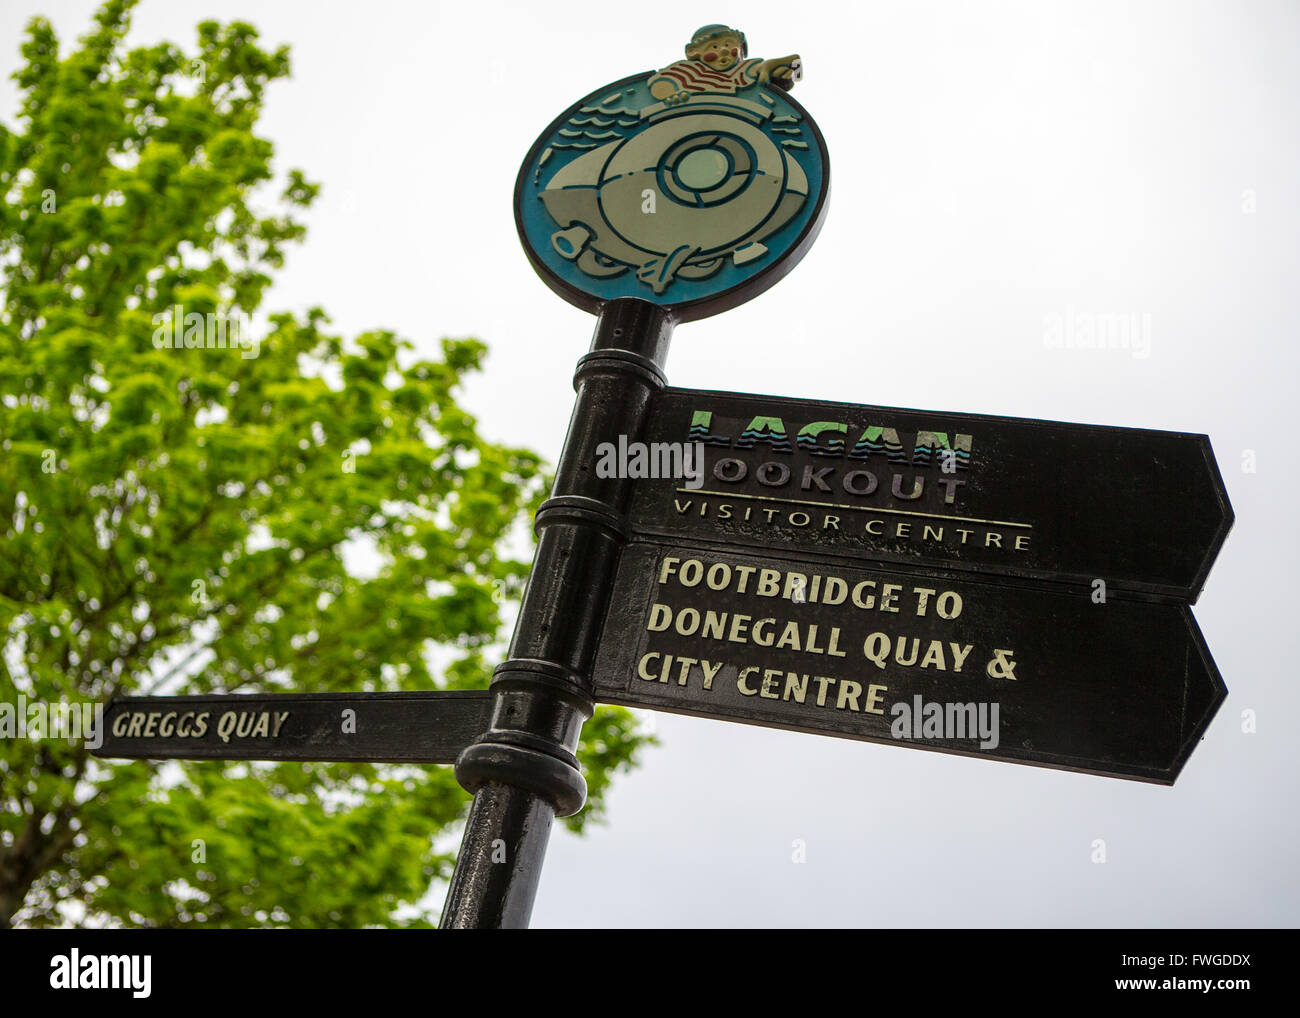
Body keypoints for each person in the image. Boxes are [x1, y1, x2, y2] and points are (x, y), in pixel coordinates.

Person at [648, 25, 800, 103]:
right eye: (714, 47)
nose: (724, 51)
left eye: (729, 45)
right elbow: (659, 84)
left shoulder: (745, 70)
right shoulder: (687, 71)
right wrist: (671, 95)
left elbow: (796, 61)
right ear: (693, 52)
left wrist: (779, 74)